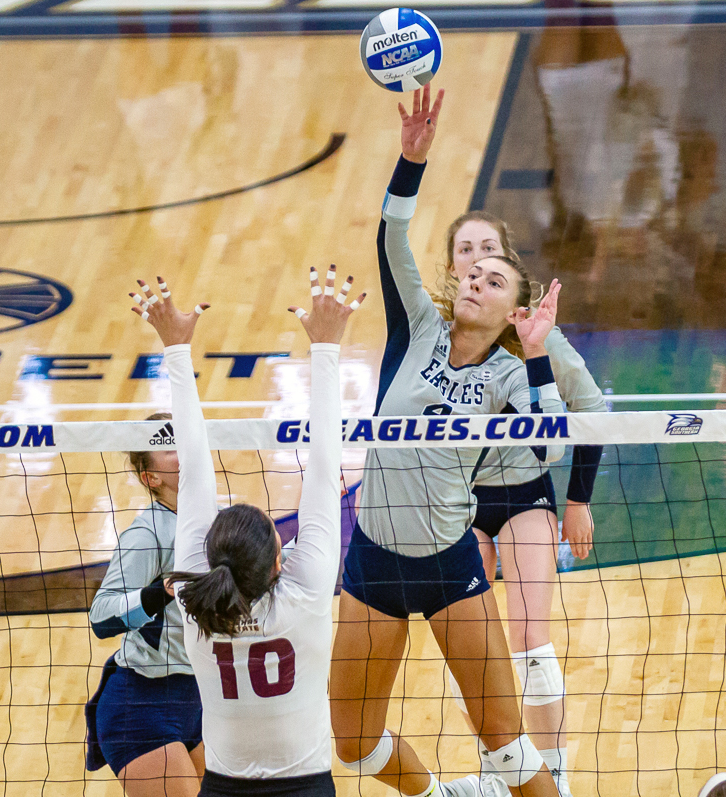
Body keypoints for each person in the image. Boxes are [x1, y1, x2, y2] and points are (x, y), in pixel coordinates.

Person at [329, 85, 564, 797]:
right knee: (352, 743)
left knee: (506, 747)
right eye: (473, 272)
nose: (476, 280)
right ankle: (433, 796)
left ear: (512, 311)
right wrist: (412, 161)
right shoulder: (417, 329)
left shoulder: (506, 374)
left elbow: (550, 446)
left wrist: (538, 354)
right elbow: (390, 238)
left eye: (494, 281)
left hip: (449, 564)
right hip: (374, 559)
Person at [129, 264, 362, 797]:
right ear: (280, 561)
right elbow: (326, 464)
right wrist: (326, 347)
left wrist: (175, 349)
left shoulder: (195, 600)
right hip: (305, 789)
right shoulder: (300, 593)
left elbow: (192, 471)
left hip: (223, 788)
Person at [431, 212, 607, 797]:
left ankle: (553, 777)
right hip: (458, 503)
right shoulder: (433, 338)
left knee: (530, 635)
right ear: (455, 268)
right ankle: (501, 773)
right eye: (466, 252)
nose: (476, 262)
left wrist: (578, 500)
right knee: (469, 651)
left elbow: (592, 410)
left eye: (489, 251)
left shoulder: (538, 335)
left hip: (524, 495)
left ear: (508, 267)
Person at [85, 410, 206, 797]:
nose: (184, 449)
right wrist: (159, 592)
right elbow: (101, 617)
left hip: (200, 697)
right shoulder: (148, 534)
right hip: (141, 705)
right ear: (151, 478)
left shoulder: (215, 520)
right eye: (170, 447)